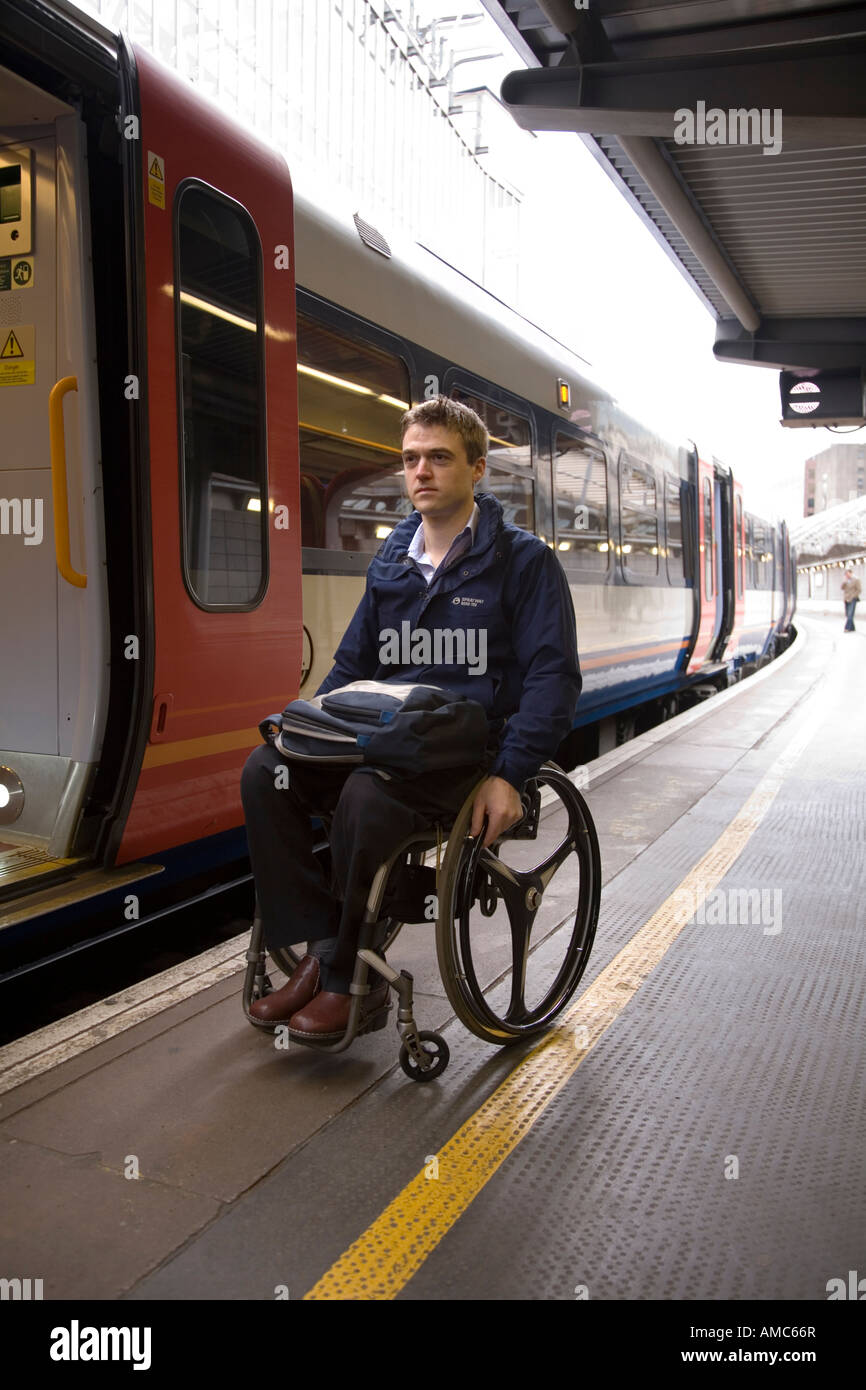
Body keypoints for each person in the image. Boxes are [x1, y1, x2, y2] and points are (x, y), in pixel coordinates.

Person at [240, 395, 581, 1040]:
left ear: (478, 468)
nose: (421, 471)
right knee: (266, 771)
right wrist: (311, 732)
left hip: (464, 755)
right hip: (382, 739)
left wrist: (510, 774)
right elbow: (351, 663)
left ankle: (349, 982)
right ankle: (321, 951)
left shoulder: (523, 561)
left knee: (367, 798)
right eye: (410, 459)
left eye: (439, 458)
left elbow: (554, 679)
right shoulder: (393, 558)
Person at [841, 567, 861, 631]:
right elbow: (842, 588)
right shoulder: (846, 581)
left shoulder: (856, 580)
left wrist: (853, 596)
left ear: (851, 573)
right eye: (846, 575)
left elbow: (859, 590)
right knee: (847, 614)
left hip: (853, 599)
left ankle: (847, 627)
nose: (847, 575)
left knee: (850, 613)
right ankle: (852, 627)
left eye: (848, 574)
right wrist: (844, 582)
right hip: (846, 599)